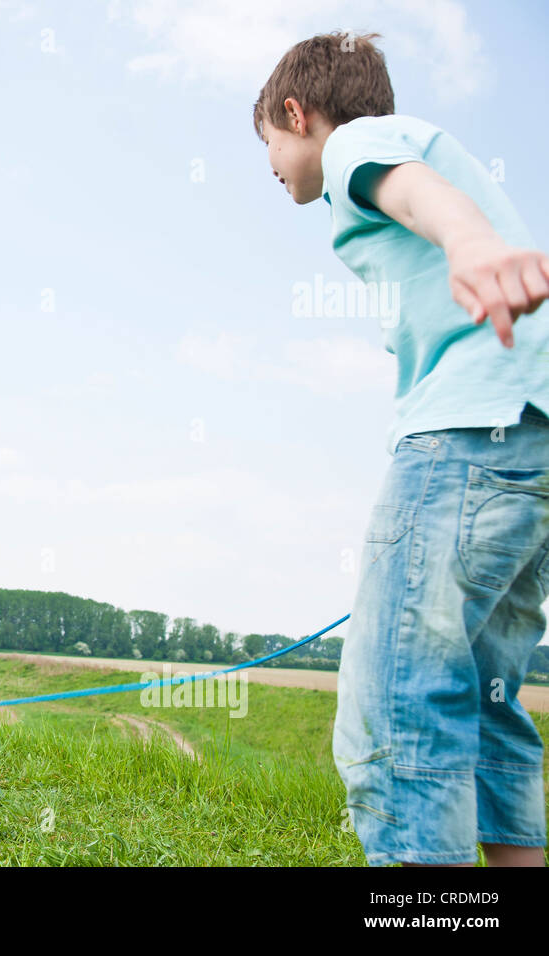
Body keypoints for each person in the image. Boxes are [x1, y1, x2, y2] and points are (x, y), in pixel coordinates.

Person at [254, 32, 549, 866]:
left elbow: (420, 195)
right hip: (532, 446)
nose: (273, 164)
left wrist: (472, 246)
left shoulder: (356, 140)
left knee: (398, 708)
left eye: (270, 145)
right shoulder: (427, 149)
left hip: (465, 443)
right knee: (490, 700)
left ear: (294, 113)